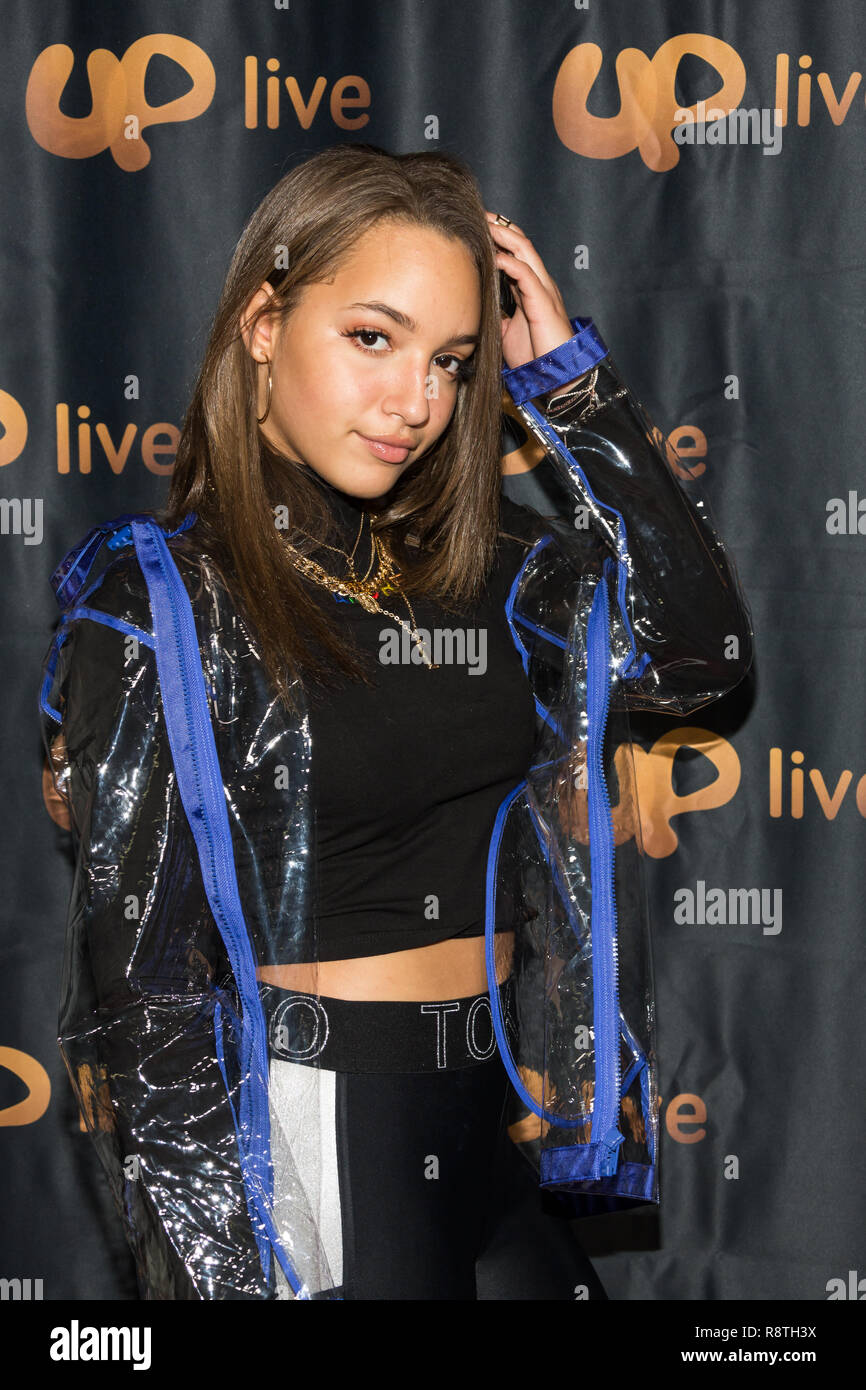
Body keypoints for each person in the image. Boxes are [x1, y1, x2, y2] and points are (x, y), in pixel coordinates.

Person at [39, 142, 753, 1301]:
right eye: (372, 337)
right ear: (263, 324)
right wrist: (226, 1270)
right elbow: (145, 993)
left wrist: (570, 389)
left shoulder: (496, 567)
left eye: (452, 362)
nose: (415, 401)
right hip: (325, 1127)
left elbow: (697, 657)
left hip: (487, 1114)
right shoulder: (161, 600)